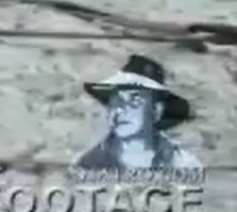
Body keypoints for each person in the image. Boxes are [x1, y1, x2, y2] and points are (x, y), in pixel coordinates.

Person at [72, 54, 203, 174]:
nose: (121, 110)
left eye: (135, 101)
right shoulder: (87, 167)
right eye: (116, 101)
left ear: (156, 111)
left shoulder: (183, 165)